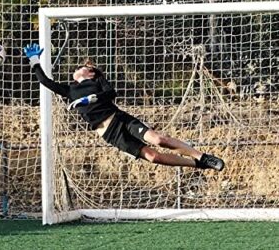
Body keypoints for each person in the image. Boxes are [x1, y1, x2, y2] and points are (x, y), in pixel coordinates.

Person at [24, 43, 225, 171]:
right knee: (153, 157)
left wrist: (91, 99)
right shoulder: (69, 90)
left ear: (91, 73)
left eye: (82, 67)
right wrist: (34, 60)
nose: (77, 69)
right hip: (109, 134)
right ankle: (196, 164)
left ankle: (203, 156)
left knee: (158, 139)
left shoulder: (97, 82)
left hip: (120, 119)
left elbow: (111, 94)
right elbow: (45, 81)